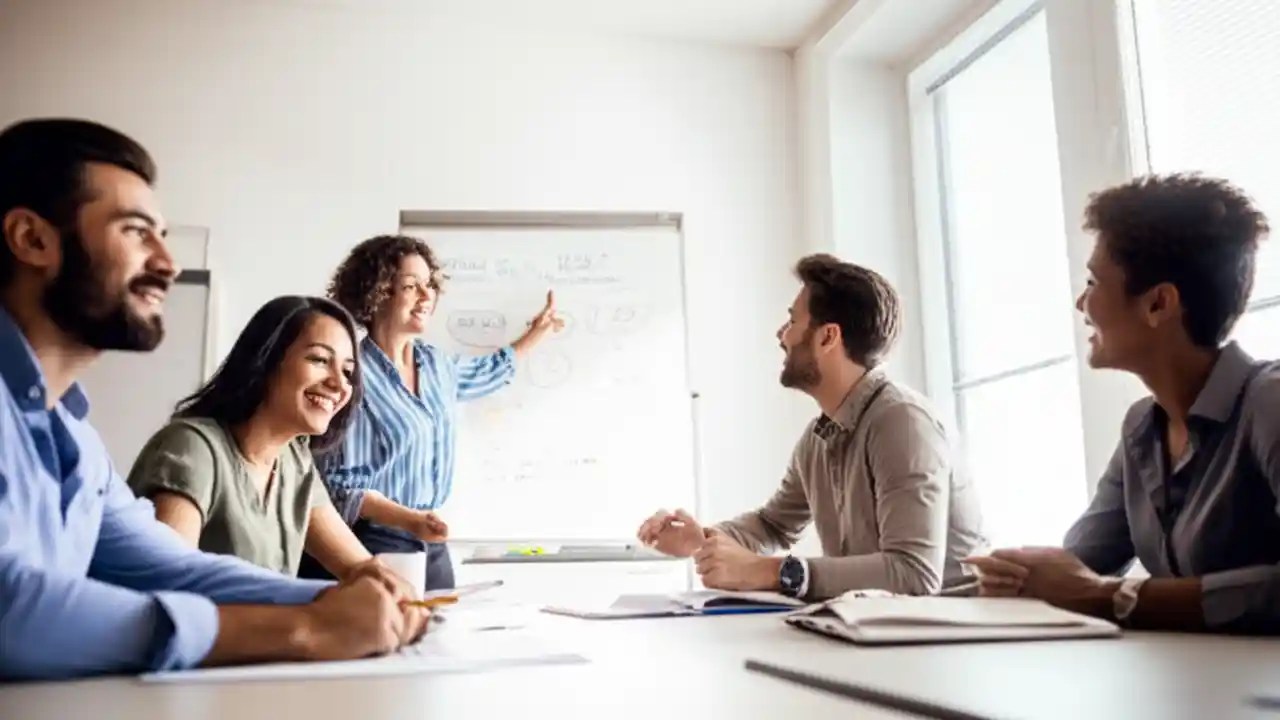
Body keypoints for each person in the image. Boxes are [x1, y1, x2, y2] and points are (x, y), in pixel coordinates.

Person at [0, 118, 426, 680]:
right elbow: (11, 607)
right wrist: (307, 628)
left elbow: (174, 567)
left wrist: (335, 601)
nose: (168, 263)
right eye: (136, 232)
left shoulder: (73, 436)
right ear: (32, 240)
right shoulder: (191, 446)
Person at [965, 174, 1279, 634]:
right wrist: (1016, 577)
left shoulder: (1269, 402)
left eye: (1093, 281)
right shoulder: (1141, 428)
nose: (1081, 302)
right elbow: (1079, 565)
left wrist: (1112, 596)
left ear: (1158, 304)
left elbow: (1088, 588)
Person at [637, 254, 986, 600]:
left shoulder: (903, 423)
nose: (781, 335)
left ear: (827, 337)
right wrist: (700, 541)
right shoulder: (818, 438)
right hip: (873, 627)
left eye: (792, 321)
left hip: (950, 630)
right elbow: (773, 525)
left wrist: (772, 571)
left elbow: (913, 573)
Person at [306, 234, 563, 590]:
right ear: (377, 293)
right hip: (372, 542)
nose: (427, 296)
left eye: (430, 285)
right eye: (411, 286)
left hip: (430, 540)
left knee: (445, 624)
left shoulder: (437, 365)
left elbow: (486, 372)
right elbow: (333, 486)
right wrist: (407, 519)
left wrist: (535, 335)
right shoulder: (350, 376)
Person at [128, 295, 406, 584]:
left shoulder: (294, 461)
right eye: (320, 360)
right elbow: (170, 586)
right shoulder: (193, 448)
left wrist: (403, 595)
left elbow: (362, 570)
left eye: (348, 372)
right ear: (266, 360)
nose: (339, 384)